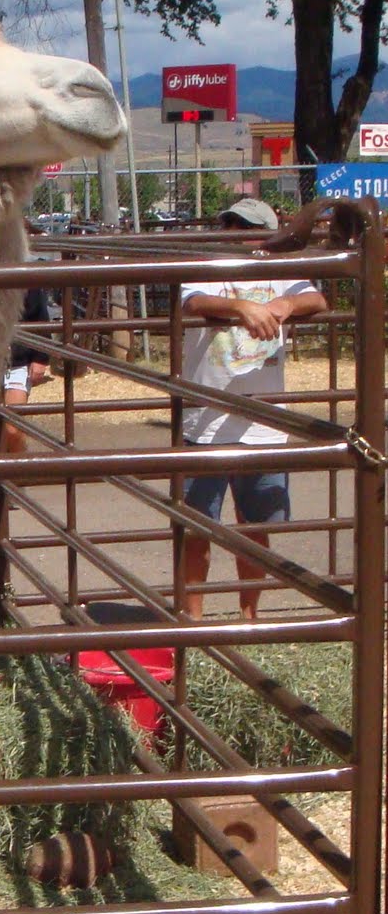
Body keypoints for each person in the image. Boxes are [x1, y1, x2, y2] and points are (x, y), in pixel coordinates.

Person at [179, 197, 328, 619]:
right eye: (231, 225)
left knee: (255, 530)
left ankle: (249, 616)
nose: (238, 235)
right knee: (196, 530)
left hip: (262, 424)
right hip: (205, 423)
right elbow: (193, 303)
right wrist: (240, 307)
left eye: (247, 228)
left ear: (270, 235)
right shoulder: (206, 265)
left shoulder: (284, 270)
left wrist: (284, 305)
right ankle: (192, 619)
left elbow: (317, 300)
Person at [0, 285, 53, 515]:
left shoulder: (27, 283)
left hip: (17, 363)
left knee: (13, 428)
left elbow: (40, 318)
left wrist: (40, 357)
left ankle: (16, 482)